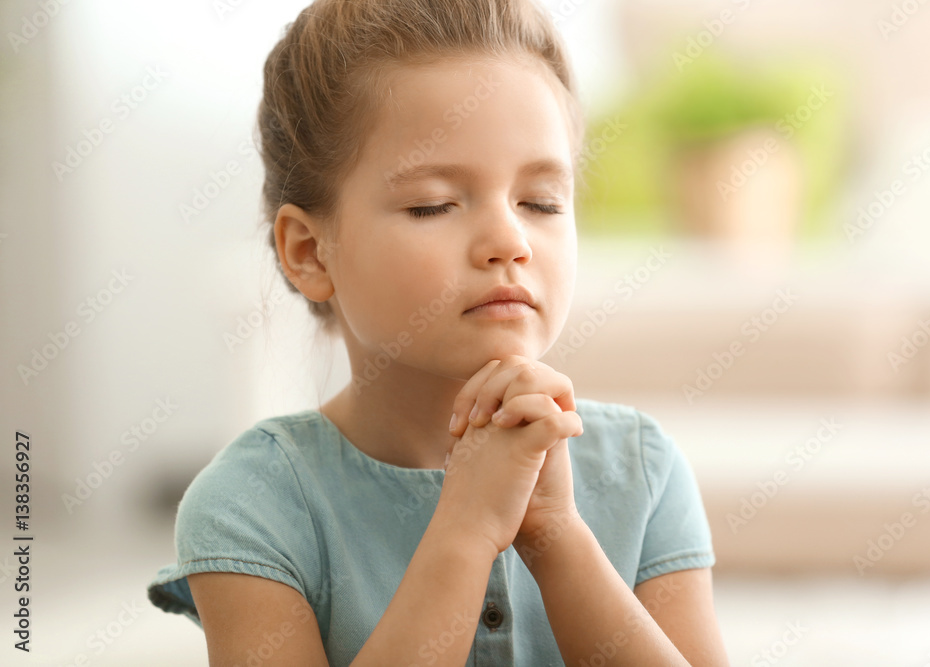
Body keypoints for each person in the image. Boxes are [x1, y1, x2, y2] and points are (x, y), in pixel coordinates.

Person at [146, 0, 730, 664]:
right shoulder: (253, 504)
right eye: (434, 205)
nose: (509, 240)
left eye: (540, 202)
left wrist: (557, 535)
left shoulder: (643, 471)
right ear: (310, 253)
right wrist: (467, 529)